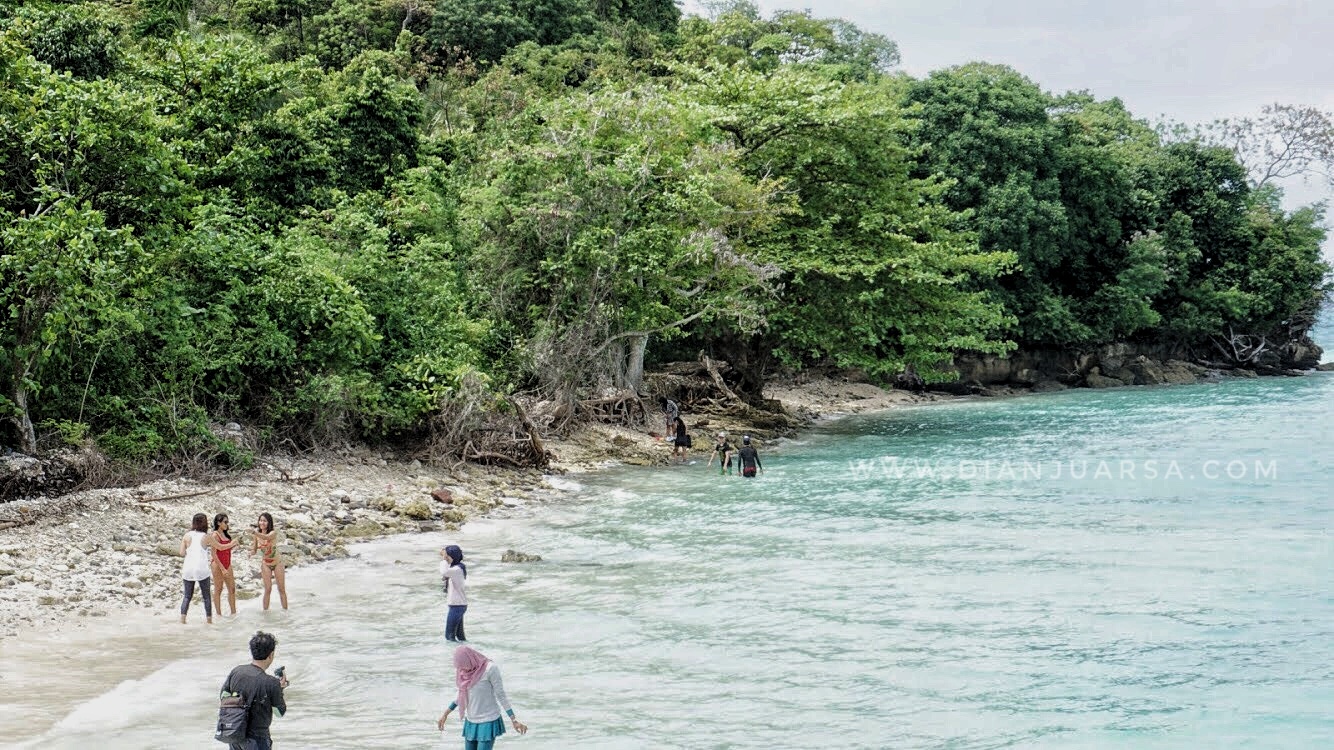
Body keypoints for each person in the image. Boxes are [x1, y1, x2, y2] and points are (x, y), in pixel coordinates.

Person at [437, 645, 528, 749]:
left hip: (488, 720)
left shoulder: (490, 669)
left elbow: (501, 695)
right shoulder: (463, 672)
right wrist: (445, 714)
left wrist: (514, 720)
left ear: (469, 659)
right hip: (471, 721)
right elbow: (461, 696)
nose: (462, 669)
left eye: (463, 665)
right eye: (459, 667)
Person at [219, 630, 289, 750]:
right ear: (271, 654)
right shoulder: (271, 682)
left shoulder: (237, 671)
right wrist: (279, 689)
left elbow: (223, 696)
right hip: (258, 739)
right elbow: (279, 713)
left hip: (235, 735)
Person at [180, 512, 213, 624]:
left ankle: (182, 620)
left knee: (187, 596)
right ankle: (209, 621)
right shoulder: (206, 537)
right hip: (201, 568)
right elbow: (220, 547)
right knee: (206, 597)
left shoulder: (186, 535)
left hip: (188, 568)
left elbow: (181, 553)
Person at [251, 512, 288, 610]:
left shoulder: (273, 532)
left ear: (269, 522)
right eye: (260, 520)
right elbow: (254, 549)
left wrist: (254, 532)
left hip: (277, 563)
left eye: (264, 521)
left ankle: (285, 613)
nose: (262, 523)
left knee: (281, 589)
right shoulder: (256, 534)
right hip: (265, 564)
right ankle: (265, 613)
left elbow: (266, 537)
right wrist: (251, 553)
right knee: (268, 589)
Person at [211, 513, 240, 618]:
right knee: (218, 589)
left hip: (228, 563)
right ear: (218, 523)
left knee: (232, 589)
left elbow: (227, 548)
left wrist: (234, 546)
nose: (227, 524)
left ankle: (233, 613)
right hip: (218, 564)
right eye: (225, 522)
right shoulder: (215, 535)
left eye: (227, 522)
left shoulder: (225, 534)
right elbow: (213, 554)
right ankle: (218, 614)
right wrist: (222, 568)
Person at [441, 545, 468, 642]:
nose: (446, 558)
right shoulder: (457, 568)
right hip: (459, 605)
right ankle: (466, 649)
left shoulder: (456, 570)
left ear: (452, 556)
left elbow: (444, 572)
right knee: (460, 636)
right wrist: (445, 556)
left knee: (449, 636)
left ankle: (452, 651)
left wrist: (443, 559)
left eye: (447, 555)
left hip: (457, 606)